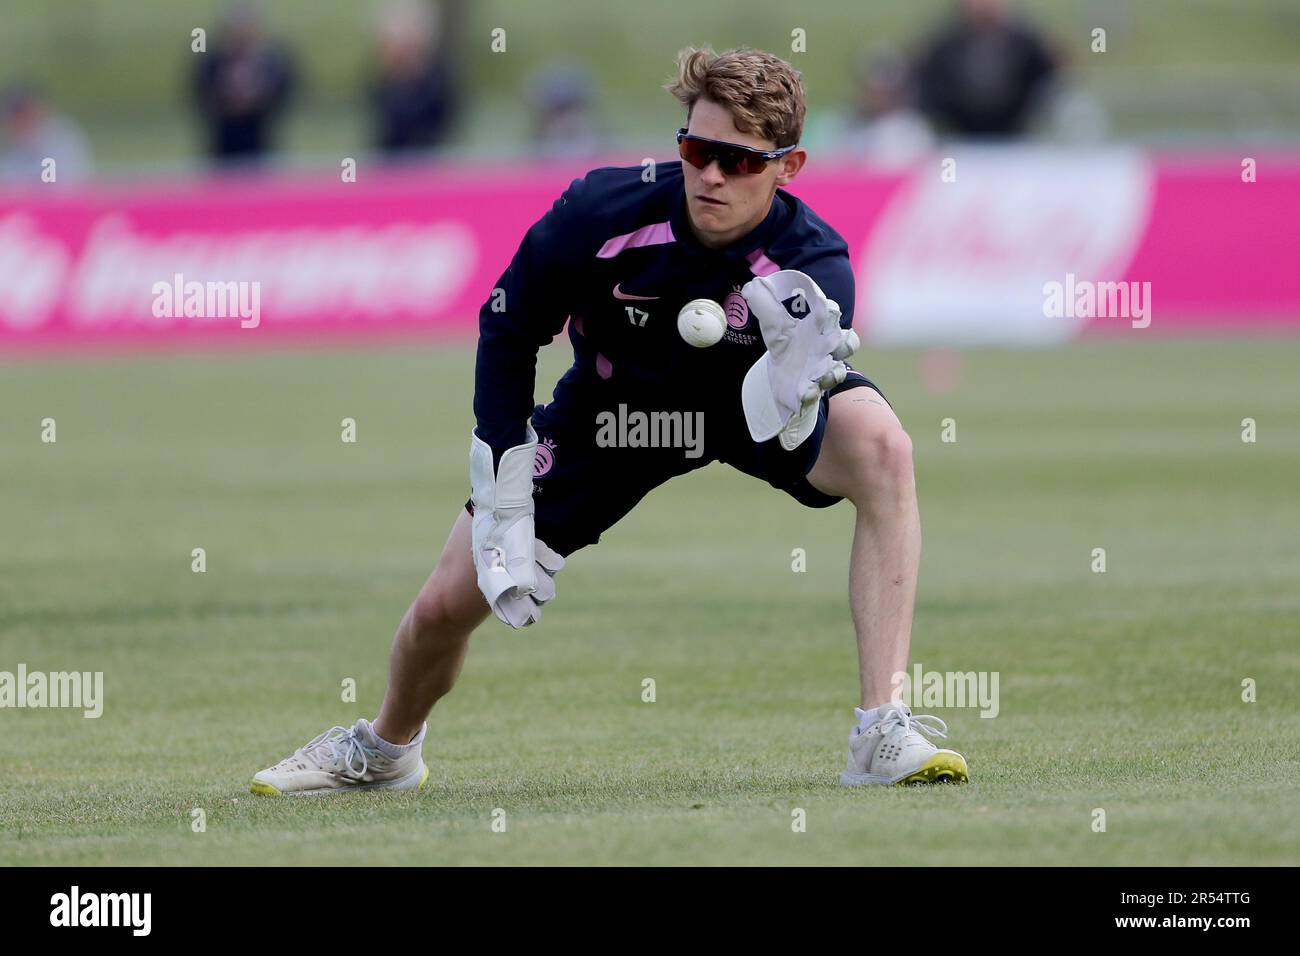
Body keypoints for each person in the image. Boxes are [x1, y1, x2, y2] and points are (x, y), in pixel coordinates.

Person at [250, 46, 969, 796]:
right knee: (445, 604)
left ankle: (880, 730)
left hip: (746, 411)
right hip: (611, 415)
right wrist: (501, 469)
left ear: (790, 167)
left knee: (886, 447)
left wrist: (795, 394)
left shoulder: (814, 265)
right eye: (698, 150)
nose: (713, 176)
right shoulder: (602, 209)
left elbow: (800, 417)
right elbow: (508, 323)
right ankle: (386, 750)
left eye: (742, 161)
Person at [914, 0, 1058, 137]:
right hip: (959, 137)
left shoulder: (1028, 46)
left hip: (1017, 137)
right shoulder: (944, 45)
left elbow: (1050, 84)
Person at [192, 1, 296, 166]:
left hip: (260, 141)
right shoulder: (212, 60)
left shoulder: (272, 59)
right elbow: (201, 95)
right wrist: (228, 98)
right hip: (223, 143)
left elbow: (284, 93)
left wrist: (256, 95)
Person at [369, 0, 457, 157]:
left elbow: (441, 124)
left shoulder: (439, 80)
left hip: (430, 164)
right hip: (388, 166)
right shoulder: (379, 83)